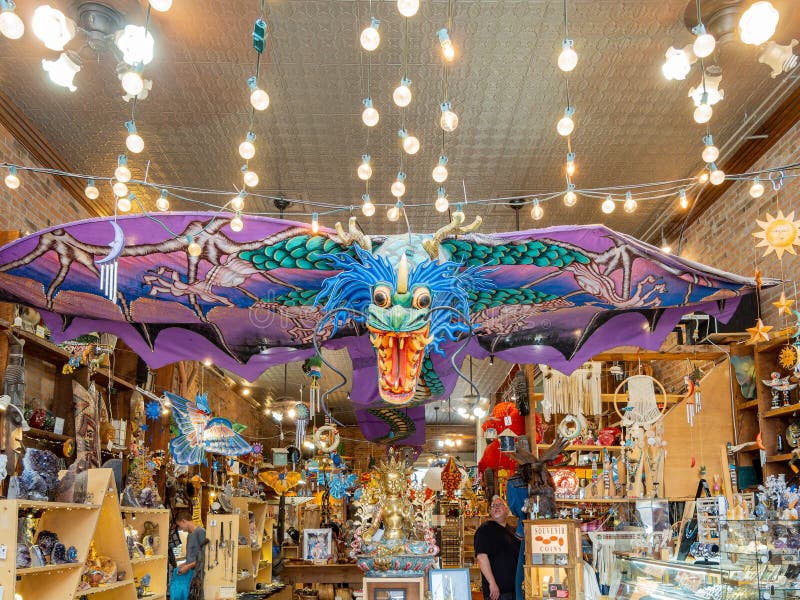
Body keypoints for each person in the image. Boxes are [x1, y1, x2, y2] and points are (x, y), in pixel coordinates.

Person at [474, 495, 521, 600]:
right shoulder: (484, 530)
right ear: (490, 512)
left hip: (514, 591)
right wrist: (492, 583)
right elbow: (481, 557)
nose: (496, 507)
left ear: (507, 510)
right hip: (496, 593)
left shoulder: (512, 531)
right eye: (493, 506)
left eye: (500, 504)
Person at [170, 510, 207, 600]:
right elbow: (192, 556)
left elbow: (204, 556)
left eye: (179, 525)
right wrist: (184, 564)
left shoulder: (201, 532)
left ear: (184, 521)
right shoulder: (190, 535)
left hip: (198, 573)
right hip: (191, 572)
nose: (180, 528)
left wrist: (188, 566)